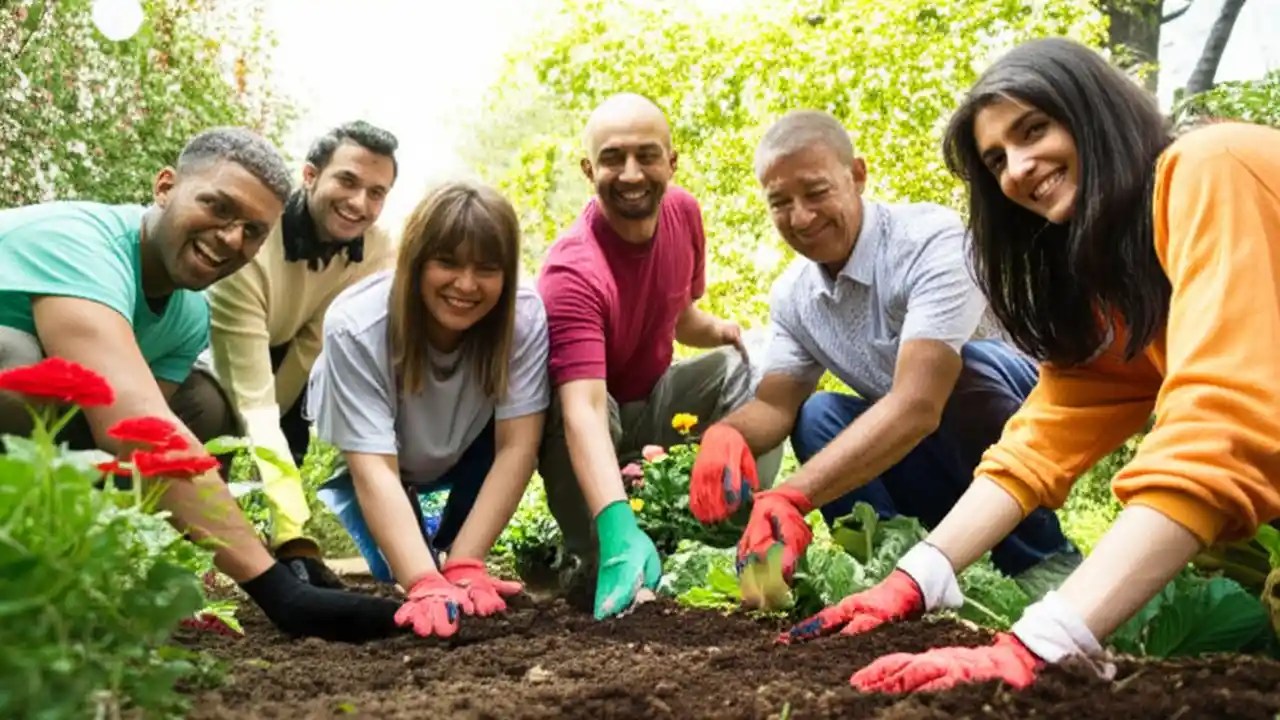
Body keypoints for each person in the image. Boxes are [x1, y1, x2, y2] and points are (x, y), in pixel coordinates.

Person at [782, 37, 1280, 694]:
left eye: (1034, 129)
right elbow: (1043, 440)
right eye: (996, 160)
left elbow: (1221, 425)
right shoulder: (1120, 282)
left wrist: (1043, 642)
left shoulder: (1210, 168)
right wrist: (916, 577)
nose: (1016, 169)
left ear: (1092, 109)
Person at [0, 127, 403, 642]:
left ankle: (52, 573)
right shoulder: (80, 243)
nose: (232, 238)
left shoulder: (188, 312)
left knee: (203, 409)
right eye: (217, 207)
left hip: (40, 451)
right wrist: (282, 592)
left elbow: (143, 460)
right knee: (19, 367)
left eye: (253, 231)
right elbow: (135, 424)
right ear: (165, 187)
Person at [687, 109, 1078, 609]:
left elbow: (919, 404)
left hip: (1020, 428)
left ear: (857, 175)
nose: (801, 217)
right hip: (917, 444)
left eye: (816, 192)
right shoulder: (794, 296)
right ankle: (893, 569)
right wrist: (726, 435)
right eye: (780, 202)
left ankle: (1040, 559)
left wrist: (790, 496)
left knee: (966, 368)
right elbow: (775, 406)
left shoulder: (929, 241)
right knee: (817, 415)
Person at [536, 92, 784, 620]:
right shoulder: (571, 271)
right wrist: (619, 526)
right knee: (574, 403)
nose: (631, 174)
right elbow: (580, 412)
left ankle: (741, 539)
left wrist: (719, 331)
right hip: (588, 424)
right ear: (589, 169)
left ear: (672, 161)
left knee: (759, 362)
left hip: (654, 403)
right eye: (612, 158)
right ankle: (607, 550)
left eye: (647, 155)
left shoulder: (683, 214)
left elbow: (679, 314)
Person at [306, 180, 548, 638]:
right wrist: (422, 580)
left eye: (487, 269)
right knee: (395, 569)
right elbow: (374, 466)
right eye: (447, 263)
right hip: (372, 462)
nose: (466, 285)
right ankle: (419, 549)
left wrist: (466, 563)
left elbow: (518, 445)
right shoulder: (357, 325)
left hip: (467, 446)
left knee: (447, 567)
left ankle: (453, 547)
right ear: (416, 261)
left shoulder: (525, 315)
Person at [199, 120, 398, 587]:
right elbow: (253, 396)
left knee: (291, 435)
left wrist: (290, 535)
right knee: (217, 422)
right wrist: (294, 530)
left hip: (298, 349)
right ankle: (199, 563)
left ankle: (284, 550)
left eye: (376, 192)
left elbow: (319, 338)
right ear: (310, 176)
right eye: (347, 181)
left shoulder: (376, 247)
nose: (359, 203)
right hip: (214, 352)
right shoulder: (250, 245)